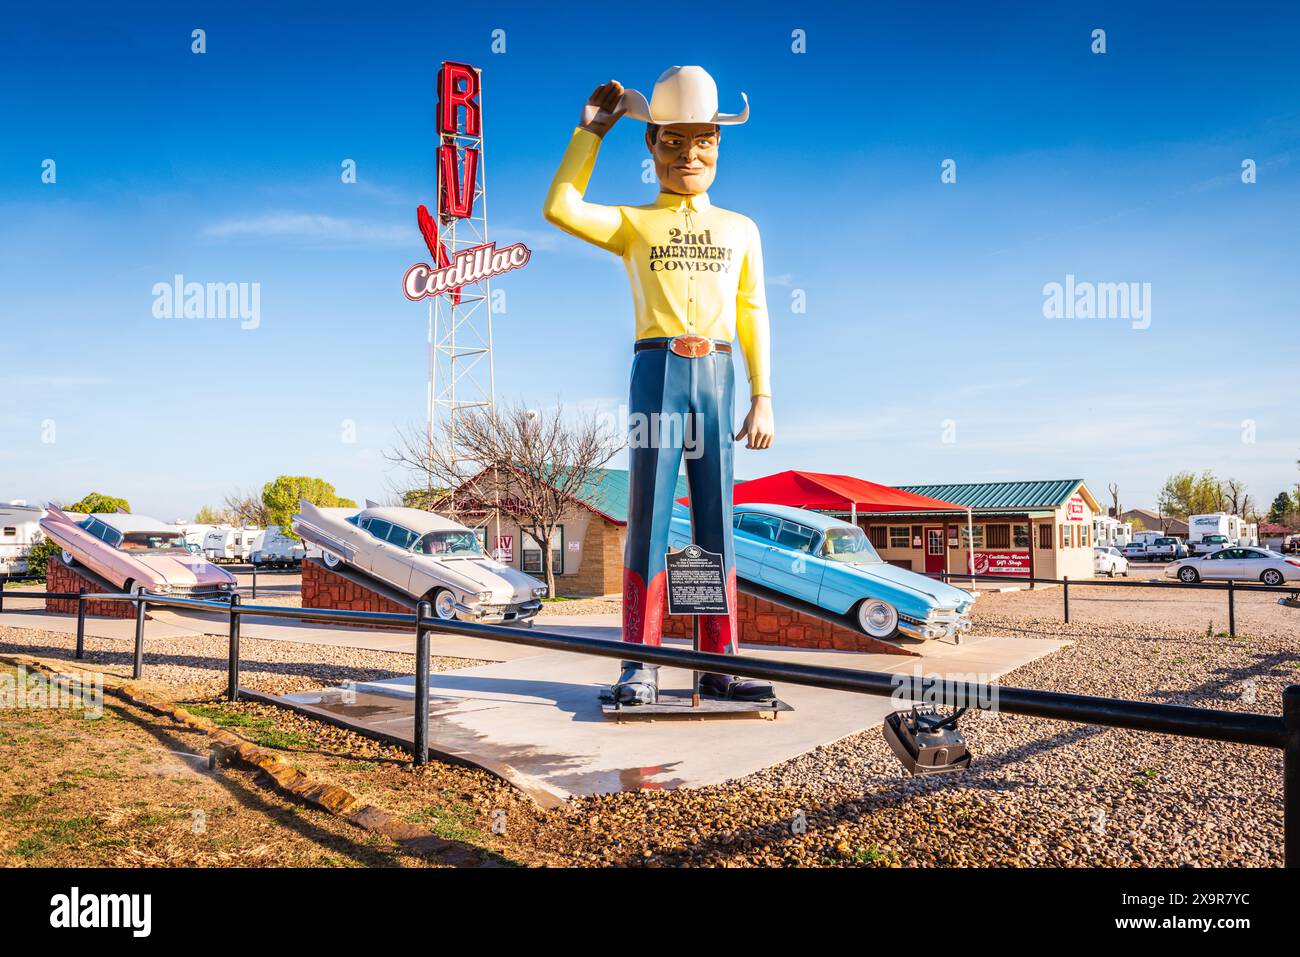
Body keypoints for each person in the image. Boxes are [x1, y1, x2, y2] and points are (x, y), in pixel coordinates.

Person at [543, 66, 775, 704]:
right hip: (657, 370)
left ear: (720, 145)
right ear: (650, 146)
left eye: (703, 140)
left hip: (718, 373)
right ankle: (637, 664)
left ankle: (718, 663)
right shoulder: (634, 224)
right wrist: (589, 135)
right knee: (646, 516)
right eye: (672, 141)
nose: (689, 154)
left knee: (715, 522)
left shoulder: (740, 228)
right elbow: (559, 207)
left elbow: (753, 310)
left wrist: (763, 394)